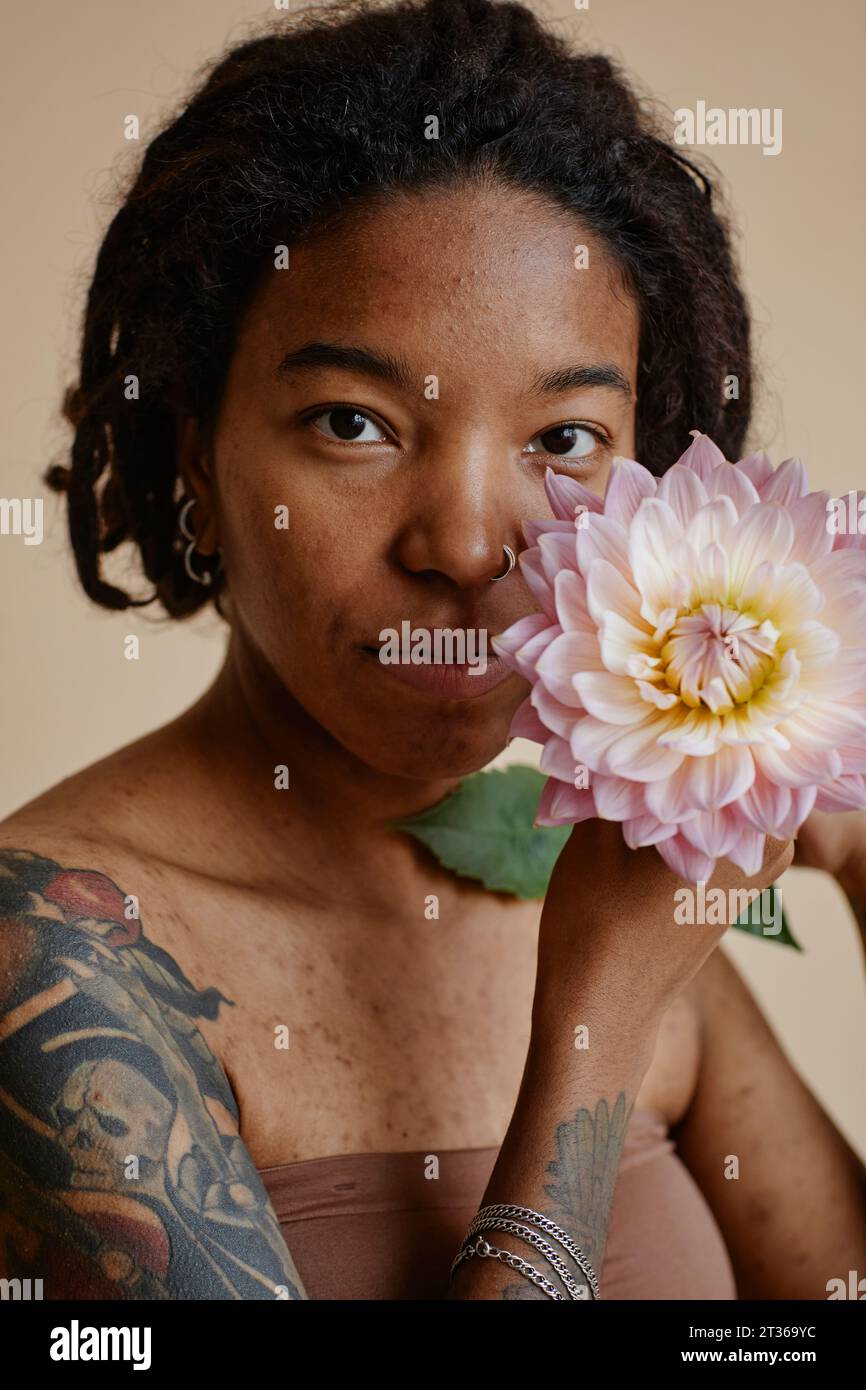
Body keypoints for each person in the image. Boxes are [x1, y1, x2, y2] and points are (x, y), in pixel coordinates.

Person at [1, 0, 864, 1301]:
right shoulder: (57, 955)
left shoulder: (585, 872)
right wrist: (591, 1034)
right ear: (196, 453)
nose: (466, 542)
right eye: (353, 421)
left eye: (563, 439)